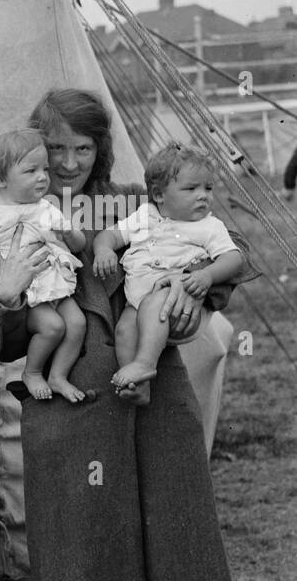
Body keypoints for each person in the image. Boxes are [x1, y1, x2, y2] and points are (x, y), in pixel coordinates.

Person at [0, 89, 247, 581]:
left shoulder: (141, 200)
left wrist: (198, 300)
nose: (68, 164)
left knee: (178, 539)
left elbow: (214, 263)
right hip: (70, 410)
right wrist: (6, 296)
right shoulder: (10, 213)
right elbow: (4, 338)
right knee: (80, 554)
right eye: (56, 150)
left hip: (152, 394)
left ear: (104, 150)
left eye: (83, 149)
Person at [93, 142, 242, 396]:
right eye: (191, 188)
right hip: (137, 302)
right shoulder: (145, 215)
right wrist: (104, 250)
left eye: (208, 188)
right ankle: (139, 388)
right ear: (159, 194)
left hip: (174, 302)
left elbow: (234, 258)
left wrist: (207, 275)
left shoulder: (209, 226)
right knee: (125, 330)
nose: (203, 195)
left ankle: (145, 363)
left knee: (153, 306)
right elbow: (110, 235)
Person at [0, 129, 86, 402]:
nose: (43, 176)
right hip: (24, 295)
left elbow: (78, 244)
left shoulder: (46, 207)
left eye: (44, 169)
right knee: (53, 327)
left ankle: (58, 375)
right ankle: (32, 372)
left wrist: (69, 233)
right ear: (0, 178)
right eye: (31, 171)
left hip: (52, 284)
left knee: (76, 323)